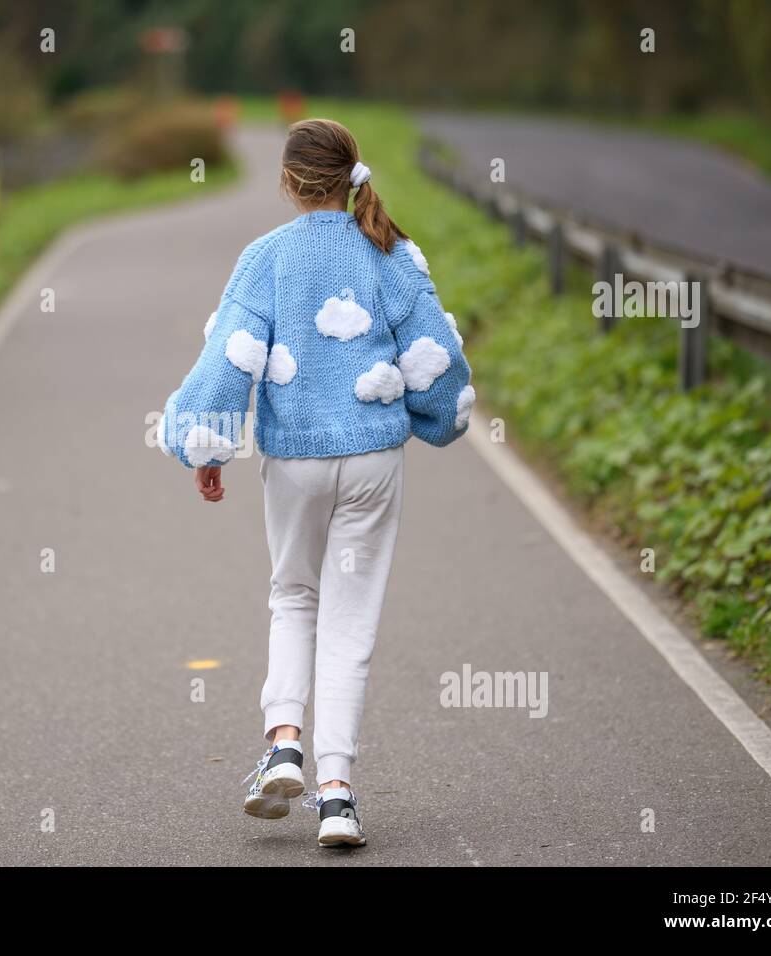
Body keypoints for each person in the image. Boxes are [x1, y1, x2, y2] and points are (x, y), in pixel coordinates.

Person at [158, 118, 473, 847]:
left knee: (294, 596)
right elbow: (435, 353)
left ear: (288, 182)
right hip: (373, 459)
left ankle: (284, 745)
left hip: (294, 458)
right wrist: (437, 417)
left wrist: (206, 444)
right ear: (349, 175)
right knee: (351, 624)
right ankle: (337, 797)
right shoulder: (391, 252)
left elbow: (227, 357)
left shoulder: (264, 257)